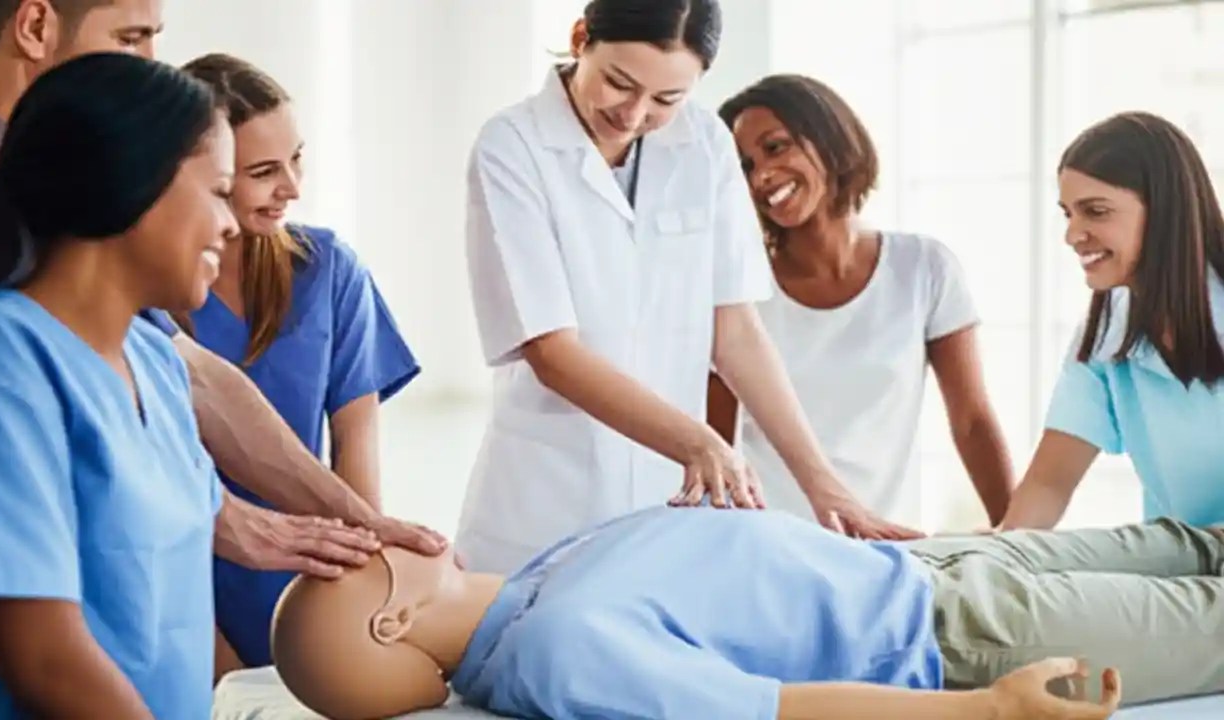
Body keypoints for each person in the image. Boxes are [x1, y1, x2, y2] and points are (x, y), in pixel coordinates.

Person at [0, 0, 446, 571]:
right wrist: (223, 519)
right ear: (36, 27)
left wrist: (360, 521)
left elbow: (190, 372)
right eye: (132, 38)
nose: (155, 65)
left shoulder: (64, 180)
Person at [459, 0, 918, 575]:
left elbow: (736, 333)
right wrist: (698, 442)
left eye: (665, 100)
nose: (633, 114)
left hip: (660, 504)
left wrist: (825, 487)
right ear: (581, 39)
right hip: (547, 498)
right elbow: (551, 350)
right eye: (619, 83)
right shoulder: (513, 144)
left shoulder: (705, 142)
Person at [272, 503, 1224, 720]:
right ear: (388, 621)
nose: (364, 533)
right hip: (954, 633)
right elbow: (767, 710)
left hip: (924, 565)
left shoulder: (533, 588)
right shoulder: (559, 652)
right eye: (347, 561)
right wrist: (988, 709)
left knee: (1193, 543)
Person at [0, 51, 237, 719]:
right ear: (138, 182)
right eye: (218, 191)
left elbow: (169, 614)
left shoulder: (155, 364)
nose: (233, 222)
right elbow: (45, 660)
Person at [176, 53, 422, 676]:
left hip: (307, 585)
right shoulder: (154, 293)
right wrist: (212, 658)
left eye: (297, 159)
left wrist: (364, 592)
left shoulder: (328, 271)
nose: (293, 187)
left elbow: (356, 449)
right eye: (264, 171)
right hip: (182, 585)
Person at [711, 74, 1015, 530]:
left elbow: (972, 421)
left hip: (888, 545)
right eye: (745, 166)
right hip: (772, 546)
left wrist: (1020, 538)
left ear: (829, 137)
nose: (762, 175)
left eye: (776, 148)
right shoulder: (739, 289)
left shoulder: (924, 269)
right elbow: (716, 444)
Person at [1001, 111, 1224, 530]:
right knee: (978, 567)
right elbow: (1049, 484)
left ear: (1164, 212)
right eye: (1068, 213)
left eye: (1096, 212)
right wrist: (1004, 554)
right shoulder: (1107, 332)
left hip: (1207, 580)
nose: (1072, 235)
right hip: (1179, 564)